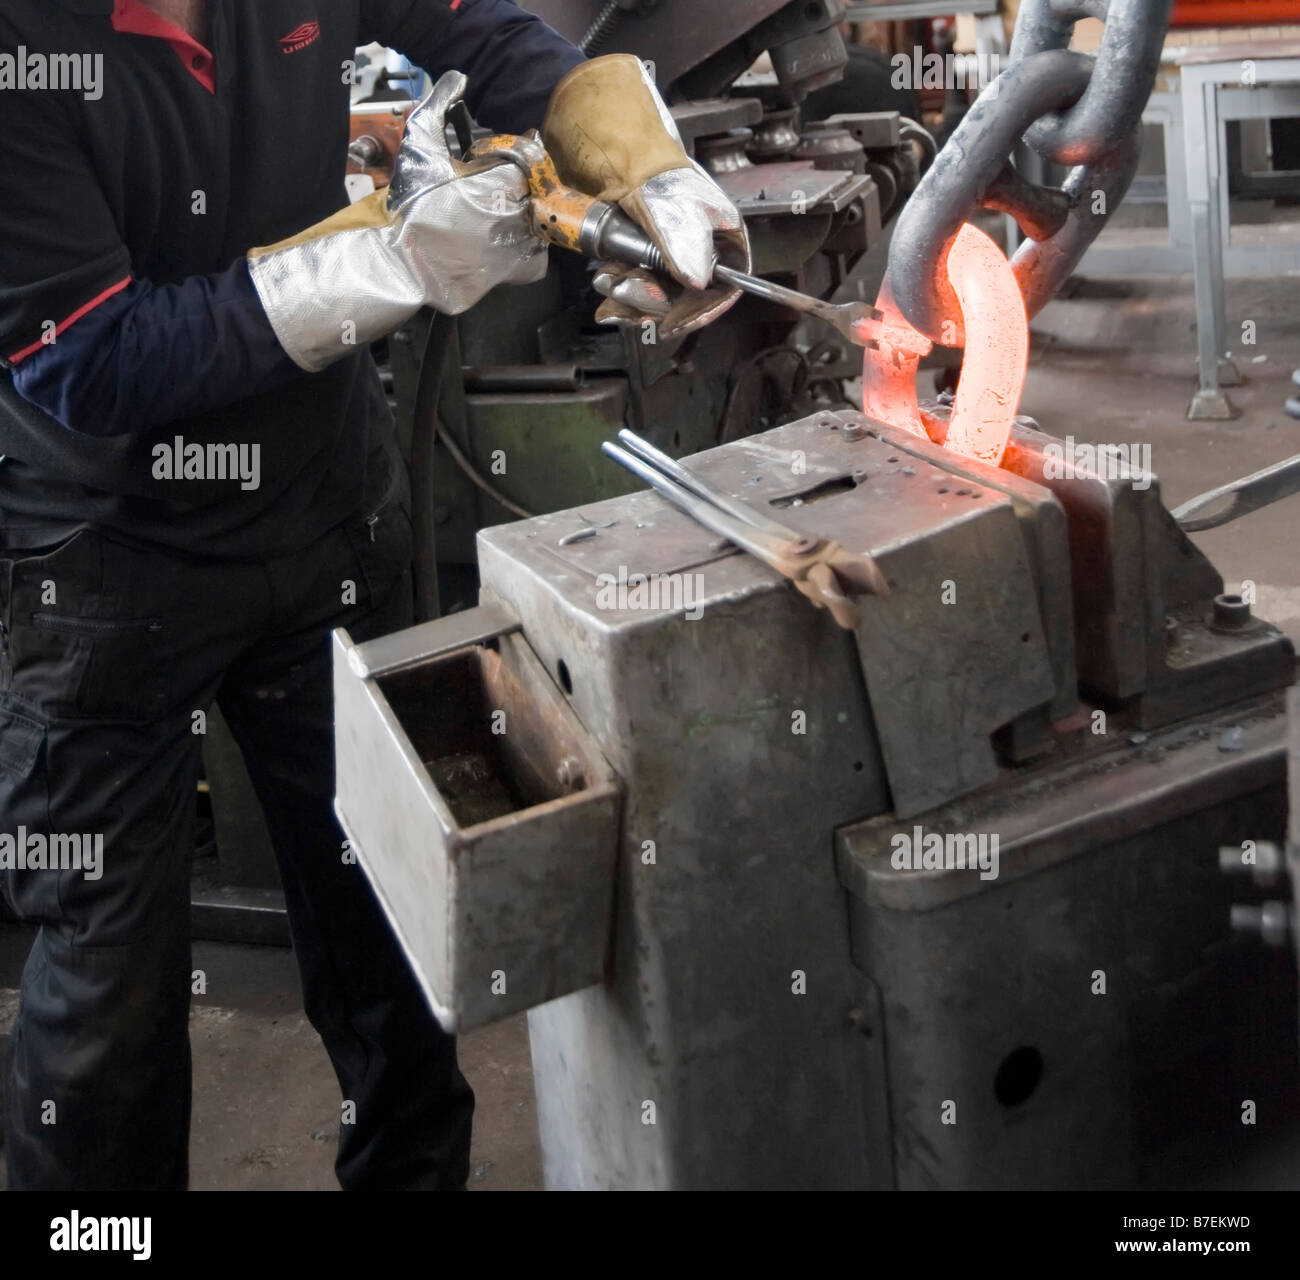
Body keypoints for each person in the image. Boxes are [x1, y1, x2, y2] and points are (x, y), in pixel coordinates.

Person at [0, 0, 747, 1191]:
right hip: (109, 563)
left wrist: (639, 159)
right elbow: (92, 356)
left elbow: (490, 37)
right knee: (106, 1004)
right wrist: (395, 260)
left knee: (391, 909)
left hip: (322, 512)